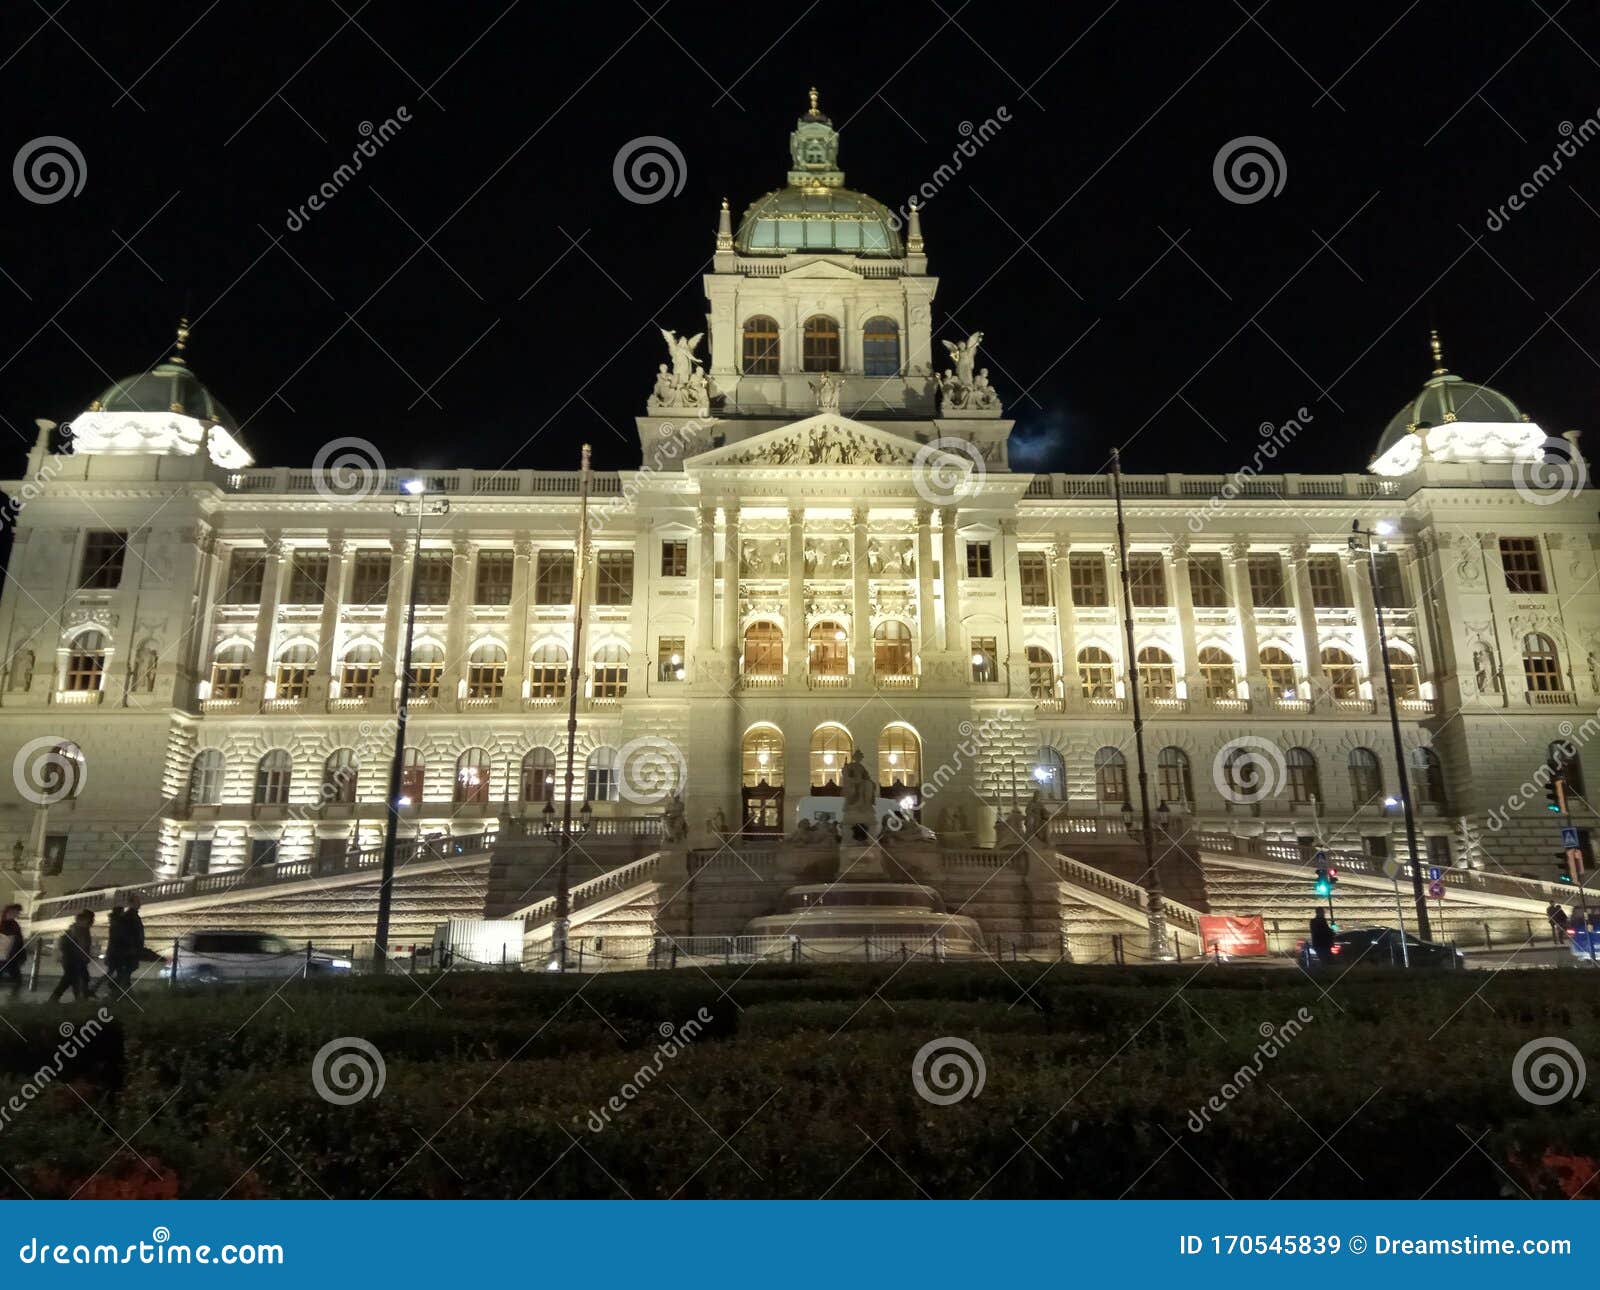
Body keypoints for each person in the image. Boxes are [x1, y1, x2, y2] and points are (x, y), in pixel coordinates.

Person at [49, 910, 94, 1003]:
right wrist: (84, 957)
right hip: (75, 959)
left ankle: (78, 998)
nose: (92, 921)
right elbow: (82, 945)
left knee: (74, 978)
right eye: (90, 919)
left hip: (72, 959)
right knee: (72, 978)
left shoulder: (75, 929)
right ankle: (78, 998)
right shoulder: (80, 930)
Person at [105, 892, 145, 990]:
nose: (139, 903)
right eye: (137, 901)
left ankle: (117, 990)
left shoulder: (132, 916)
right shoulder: (129, 917)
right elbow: (127, 935)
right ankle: (118, 991)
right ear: (131, 903)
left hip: (128, 951)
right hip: (127, 952)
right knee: (124, 976)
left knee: (123, 976)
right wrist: (132, 948)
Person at [0, 903, 25, 995]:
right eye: (16, 912)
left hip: (10, 954)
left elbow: (13, 940)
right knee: (15, 976)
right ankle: (14, 996)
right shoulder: (9, 924)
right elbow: (10, 940)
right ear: (10, 912)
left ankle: (14, 996)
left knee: (14, 974)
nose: (17, 914)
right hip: (9, 954)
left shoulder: (11, 923)